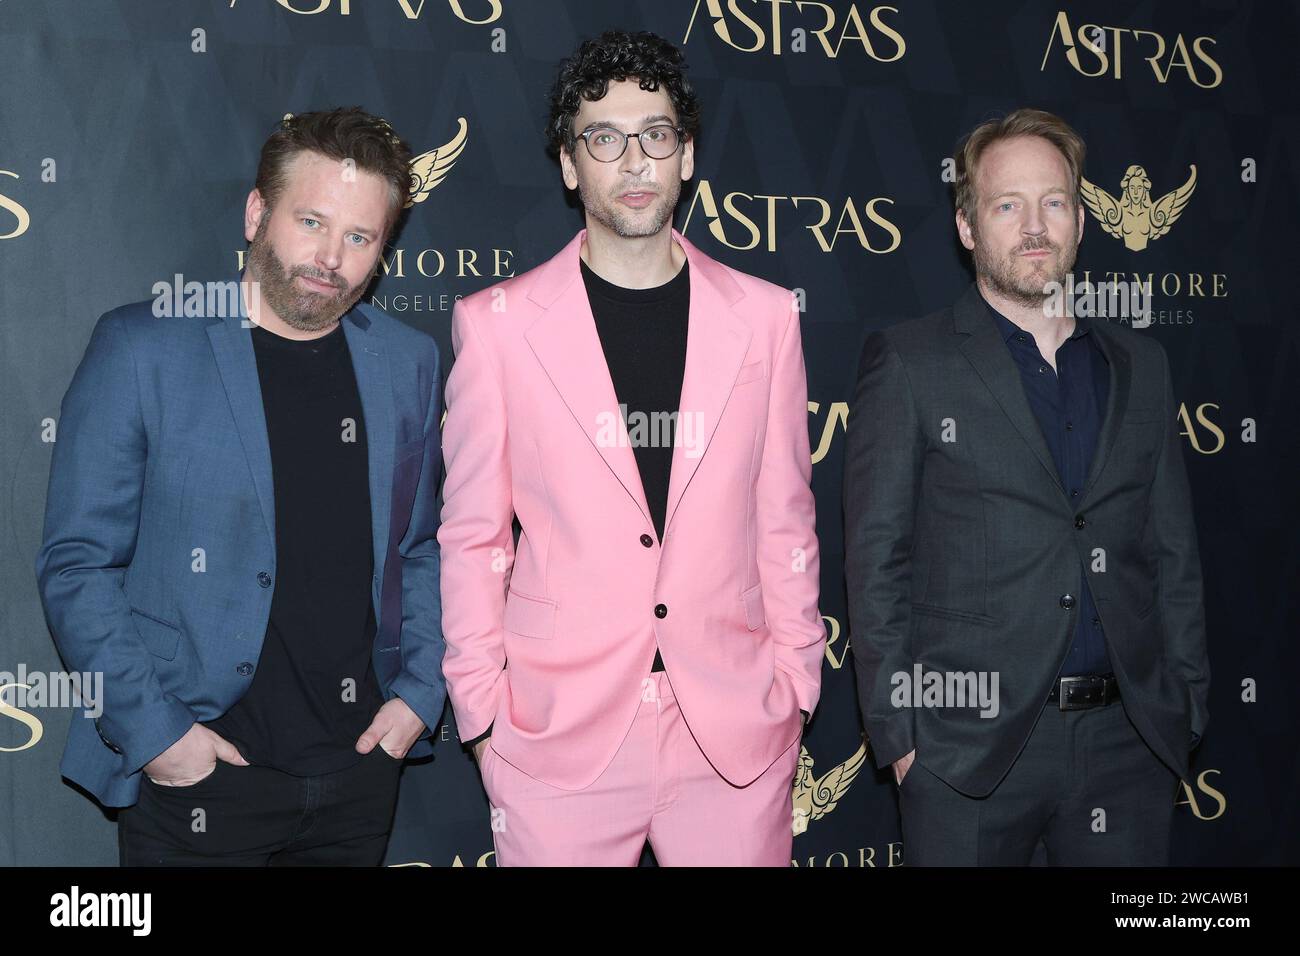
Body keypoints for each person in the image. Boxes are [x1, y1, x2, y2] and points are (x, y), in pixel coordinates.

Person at [438, 30, 825, 866]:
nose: (635, 161)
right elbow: (473, 536)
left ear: (686, 156)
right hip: (553, 735)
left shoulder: (764, 318)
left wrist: (796, 683)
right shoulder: (495, 328)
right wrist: (481, 711)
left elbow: (785, 517)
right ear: (572, 165)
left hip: (733, 732)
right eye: (604, 139)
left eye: (656, 135)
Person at [36, 107, 446, 866]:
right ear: (258, 211)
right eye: (312, 221)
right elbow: (77, 565)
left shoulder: (406, 363)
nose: (331, 257)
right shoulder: (144, 347)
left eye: (360, 237)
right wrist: (157, 734)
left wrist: (420, 693)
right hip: (200, 771)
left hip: (359, 774)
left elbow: (418, 548)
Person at [844, 108, 1209, 865]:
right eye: (1007, 205)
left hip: (1127, 744)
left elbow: (1173, 552)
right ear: (969, 225)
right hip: (965, 755)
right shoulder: (912, 362)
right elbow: (878, 560)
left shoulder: (1141, 366)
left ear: (1080, 219)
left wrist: (1184, 701)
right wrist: (903, 739)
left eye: (1054, 202)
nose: (1034, 226)